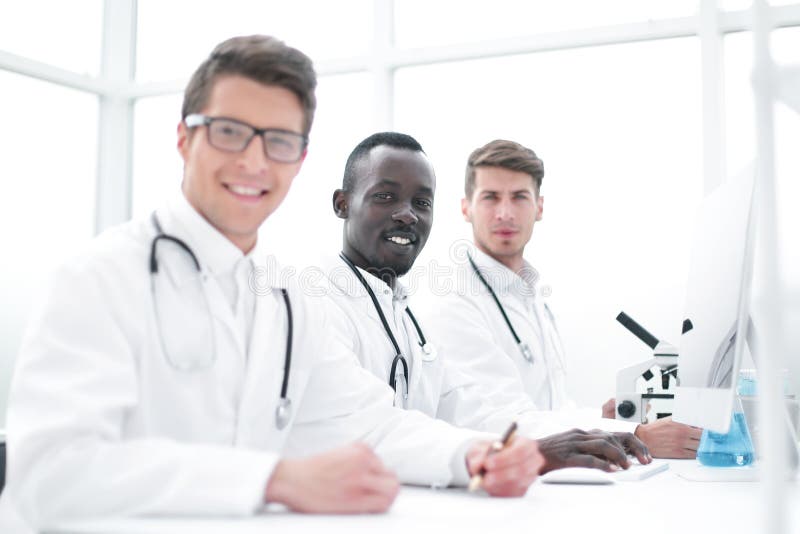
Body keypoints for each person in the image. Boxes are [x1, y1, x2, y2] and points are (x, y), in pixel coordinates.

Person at [3, 38, 543, 529]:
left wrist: (473, 454)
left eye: (280, 141)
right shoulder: (97, 278)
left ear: (300, 159)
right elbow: (46, 473)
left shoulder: (286, 301)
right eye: (230, 131)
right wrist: (271, 479)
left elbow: (369, 423)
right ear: (184, 138)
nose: (254, 161)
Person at [320, 132, 652, 473]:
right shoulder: (319, 307)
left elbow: (472, 412)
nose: (407, 215)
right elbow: (373, 427)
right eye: (385, 196)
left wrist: (612, 431)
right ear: (342, 204)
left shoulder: (403, 314)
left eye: (422, 203)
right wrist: (502, 455)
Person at [424, 139, 701, 458]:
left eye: (519, 197)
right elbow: (499, 419)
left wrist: (600, 422)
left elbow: (552, 406)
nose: (505, 212)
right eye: (490, 197)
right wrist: (632, 435)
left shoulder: (530, 295)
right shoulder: (455, 302)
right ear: (465, 207)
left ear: (539, 207)